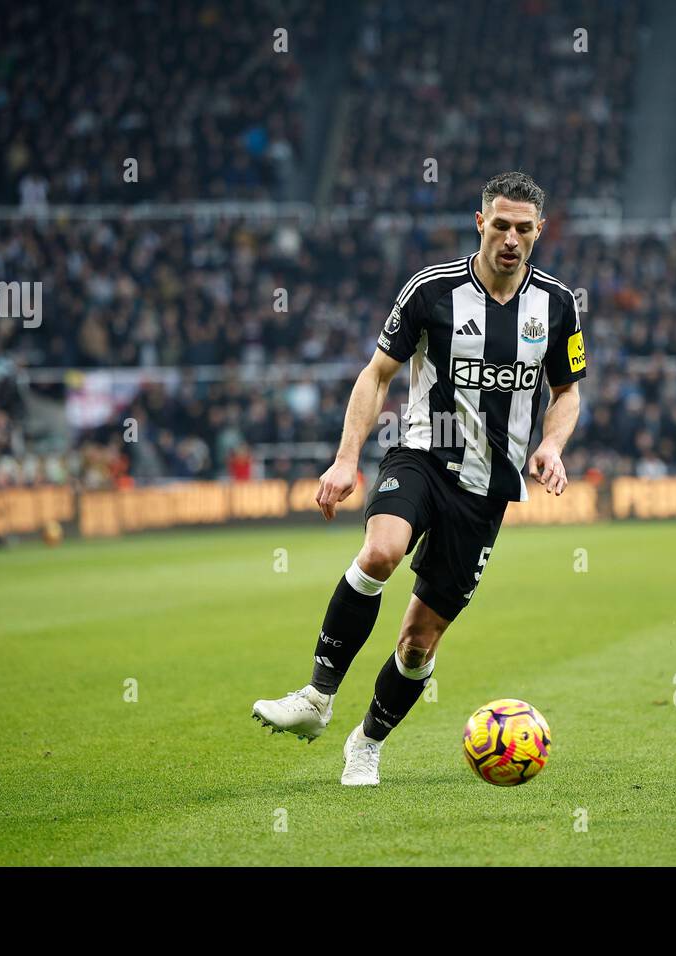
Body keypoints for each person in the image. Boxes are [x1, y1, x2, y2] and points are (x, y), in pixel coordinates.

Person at [251, 171, 587, 785]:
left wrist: (552, 446)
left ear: (540, 231)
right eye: (501, 225)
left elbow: (567, 392)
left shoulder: (558, 305)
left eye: (524, 228)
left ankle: (367, 742)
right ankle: (318, 697)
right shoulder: (431, 291)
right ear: (480, 223)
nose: (511, 238)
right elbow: (376, 375)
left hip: (489, 488)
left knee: (416, 644)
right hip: (422, 455)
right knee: (380, 552)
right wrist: (345, 458)